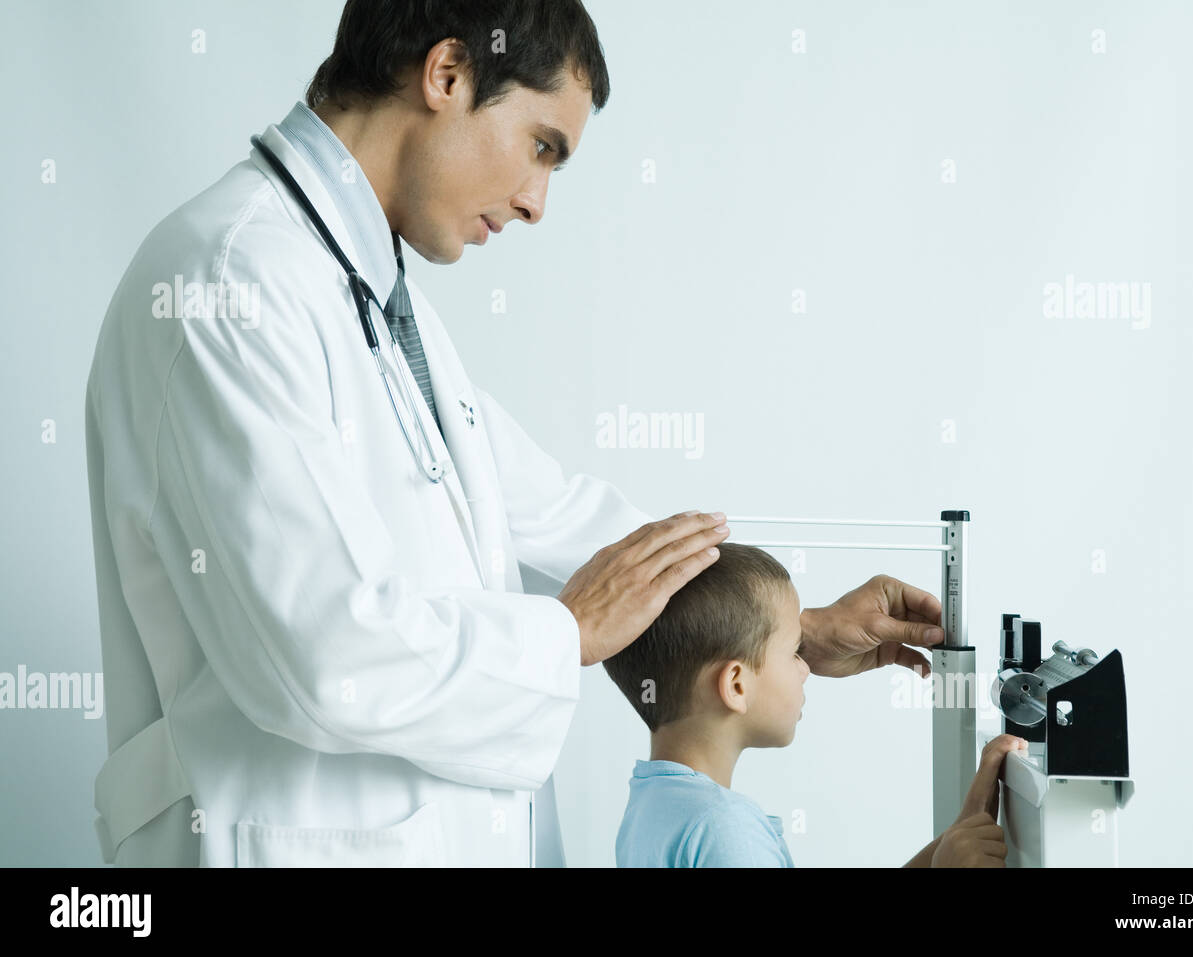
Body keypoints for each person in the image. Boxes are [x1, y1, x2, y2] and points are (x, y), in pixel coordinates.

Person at [84, 0, 951, 867]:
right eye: (542, 146)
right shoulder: (230, 282)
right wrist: (564, 634)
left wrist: (783, 633)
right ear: (447, 73)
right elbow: (322, 653)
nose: (537, 203)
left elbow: (567, 526)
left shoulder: (384, 310)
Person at [604, 543, 1024, 867]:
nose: (807, 667)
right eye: (794, 651)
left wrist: (948, 845)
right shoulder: (725, 829)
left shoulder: (652, 803)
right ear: (736, 685)